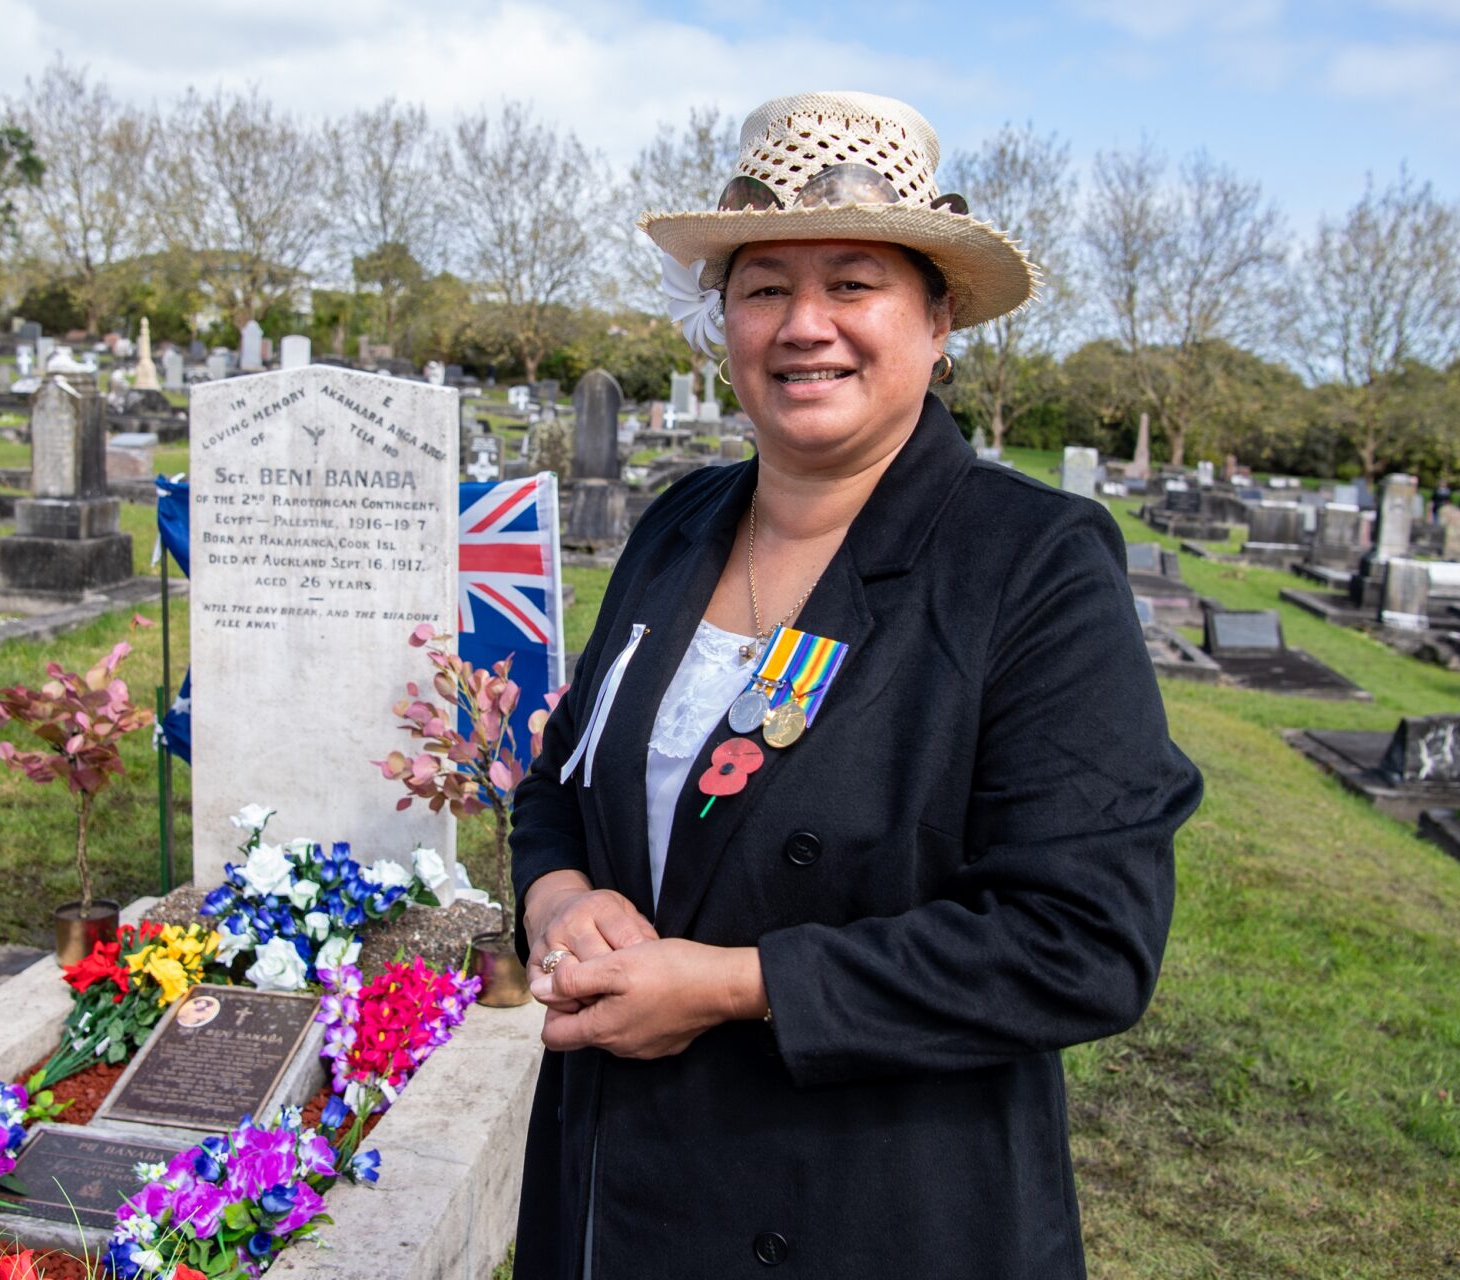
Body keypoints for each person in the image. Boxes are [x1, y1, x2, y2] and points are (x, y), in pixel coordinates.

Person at [507, 91, 1202, 1279]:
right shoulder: (676, 528)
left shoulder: (1027, 564)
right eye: (765, 284)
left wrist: (731, 986)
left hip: (867, 1206)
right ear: (722, 318)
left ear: (938, 322)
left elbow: (1084, 939)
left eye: (853, 282)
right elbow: (560, 779)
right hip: (613, 1195)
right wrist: (559, 898)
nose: (803, 324)